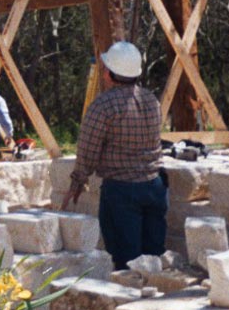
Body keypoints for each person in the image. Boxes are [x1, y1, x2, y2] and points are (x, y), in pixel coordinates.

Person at [63, 41, 168, 269]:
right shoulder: (152, 100)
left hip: (122, 191)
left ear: (110, 73)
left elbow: (88, 150)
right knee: (153, 260)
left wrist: (77, 183)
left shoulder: (103, 106)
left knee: (125, 262)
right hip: (155, 186)